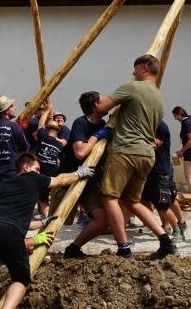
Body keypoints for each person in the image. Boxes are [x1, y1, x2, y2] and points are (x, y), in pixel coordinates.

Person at [0, 153, 94, 309]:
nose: (39, 172)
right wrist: (79, 173)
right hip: (9, 232)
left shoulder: (4, 184)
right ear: (26, 167)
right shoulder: (33, 178)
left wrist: (41, 223)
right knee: (20, 279)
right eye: (37, 168)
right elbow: (60, 180)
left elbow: (8, 218)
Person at [94, 54, 177, 259]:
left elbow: (101, 107)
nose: (133, 73)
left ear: (143, 68)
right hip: (146, 155)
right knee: (132, 201)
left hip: (125, 150)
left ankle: (123, 247)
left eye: (135, 69)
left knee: (109, 196)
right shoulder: (159, 97)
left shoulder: (131, 87)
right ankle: (165, 240)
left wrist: (107, 102)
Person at [51, 91, 110, 259]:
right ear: (94, 106)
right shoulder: (80, 123)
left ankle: (74, 248)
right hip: (69, 178)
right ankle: (34, 249)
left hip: (90, 180)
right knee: (54, 221)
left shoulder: (104, 123)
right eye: (102, 100)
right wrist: (96, 137)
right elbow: (80, 152)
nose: (107, 102)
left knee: (102, 219)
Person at [140, 119, 181, 239]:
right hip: (147, 170)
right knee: (144, 201)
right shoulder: (145, 124)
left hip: (160, 171)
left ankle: (177, 229)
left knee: (162, 204)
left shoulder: (160, 125)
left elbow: (155, 144)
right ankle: (161, 227)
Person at [33, 119, 64, 216]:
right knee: (52, 196)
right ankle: (51, 216)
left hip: (40, 173)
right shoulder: (59, 145)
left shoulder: (42, 135)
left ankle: (47, 218)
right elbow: (59, 161)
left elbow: (41, 122)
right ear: (57, 131)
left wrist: (47, 111)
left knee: (43, 199)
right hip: (53, 173)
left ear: (47, 129)